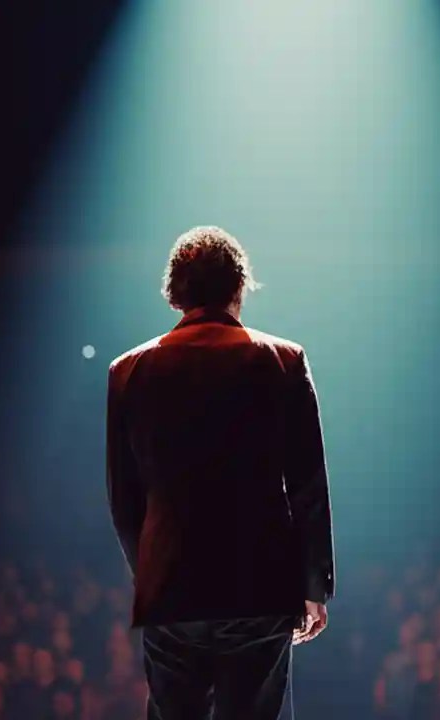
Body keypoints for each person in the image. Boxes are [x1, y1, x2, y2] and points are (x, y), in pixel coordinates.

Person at [106, 226, 336, 719]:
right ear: (239, 287)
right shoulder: (283, 360)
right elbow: (307, 486)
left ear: (175, 292)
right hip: (259, 585)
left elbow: (124, 501)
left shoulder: (129, 371)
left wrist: (151, 573)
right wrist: (313, 586)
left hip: (170, 588)